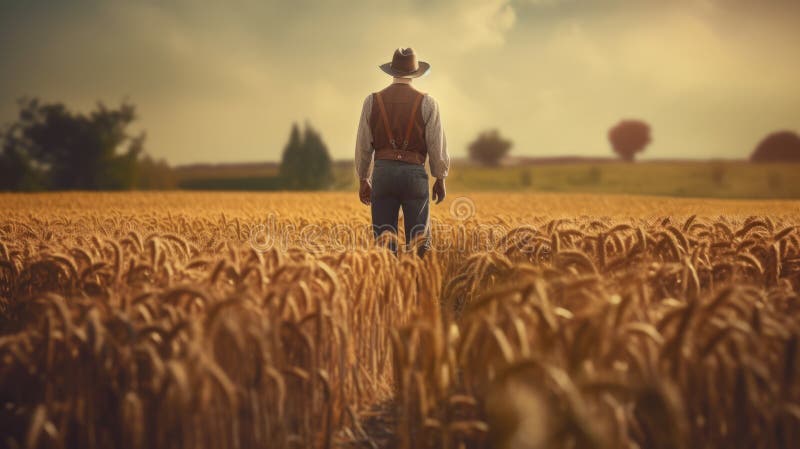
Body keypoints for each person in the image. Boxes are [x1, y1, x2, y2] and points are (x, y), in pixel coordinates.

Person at [354, 48, 450, 257]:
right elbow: (436, 145)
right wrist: (440, 178)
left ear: (392, 72)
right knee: (419, 243)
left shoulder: (372, 101)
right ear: (414, 74)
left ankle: (389, 275)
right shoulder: (428, 103)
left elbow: (363, 144)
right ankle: (416, 276)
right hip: (414, 174)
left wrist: (363, 178)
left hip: (383, 173)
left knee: (384, 244)